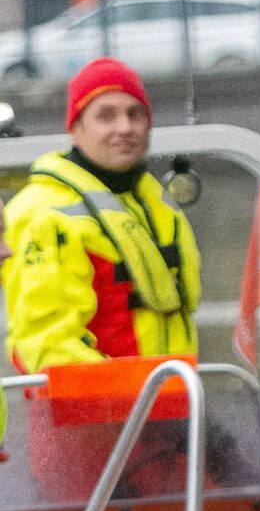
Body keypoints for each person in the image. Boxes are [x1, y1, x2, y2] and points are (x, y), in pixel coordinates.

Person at [4, 59, 200, 383]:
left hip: (168, 402)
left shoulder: (157, 204)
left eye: (135, 114)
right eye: (106, 116)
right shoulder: (42, 213)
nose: (125, 128)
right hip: (92, 409)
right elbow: (49, 344)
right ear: (75, 129)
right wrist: (129, 399)